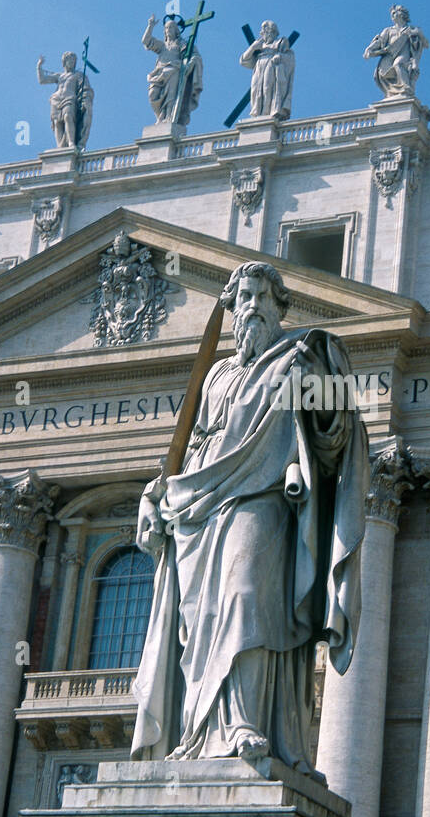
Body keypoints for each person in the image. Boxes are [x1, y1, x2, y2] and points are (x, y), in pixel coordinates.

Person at [132, 261, 368, 778]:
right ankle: (201, 730)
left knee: (245, 597)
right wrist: (159, 496)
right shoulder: (217, 375)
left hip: (262, 499)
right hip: (201, 509)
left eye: (263, 298)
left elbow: (334, 441)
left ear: (281, 309)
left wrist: (319, 389)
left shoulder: (299, 357)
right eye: (244, 299)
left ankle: (243, 721)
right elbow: (195, 447)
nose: (253, 307)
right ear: (232, 310)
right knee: (203, 622)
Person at [143, 14, 203, 125]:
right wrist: (150, 26)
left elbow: (195, 55)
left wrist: (191, 62)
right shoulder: (162, 46)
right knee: (152, 95)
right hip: (159, 73)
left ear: (176, 30)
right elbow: (146, 41)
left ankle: (169, 117)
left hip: (174, 70)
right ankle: (160, 116)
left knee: (171, 96)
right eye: (166, 28)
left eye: (171, 27)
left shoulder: (182, 44)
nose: (168, 30)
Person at [364, 5, 428, 98]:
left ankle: (406, 88)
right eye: (392, 14)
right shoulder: (389, 30)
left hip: (404, 54)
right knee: (381, 72)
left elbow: (426, 44)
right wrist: (369, 49)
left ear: (402, 14)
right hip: (390, 54)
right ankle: (393, 94)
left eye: (395, 13)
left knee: (398, 64)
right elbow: (380, 41)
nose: (392, 15)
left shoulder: (411, 29)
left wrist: (419, 35)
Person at [37, 52, 94, 149]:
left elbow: (86, 89)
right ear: (64, 62)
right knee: (57, 122)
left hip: (70, 98)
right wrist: (39, 67)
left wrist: (85, 99)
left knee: (68, 117)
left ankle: (71, 143)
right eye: (69, 60)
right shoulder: (59, 76)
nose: (71, 62)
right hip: (56, 99)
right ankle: (60, 147)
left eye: (73, 61)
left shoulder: (79, 75)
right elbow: (42, 80)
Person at [240, 20, 295, 120]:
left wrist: (280, 56)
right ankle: (257, 113)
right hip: (259, 66)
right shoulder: (259, 44)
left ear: (273, 32)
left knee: (267, 88)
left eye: (267, 31)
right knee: (255, 90)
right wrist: (253, 47)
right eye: (263, 31)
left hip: (271, 65)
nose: (263, 33)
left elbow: (289, 57)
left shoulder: (280, 42)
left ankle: (266, 114)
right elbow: (243, 60)